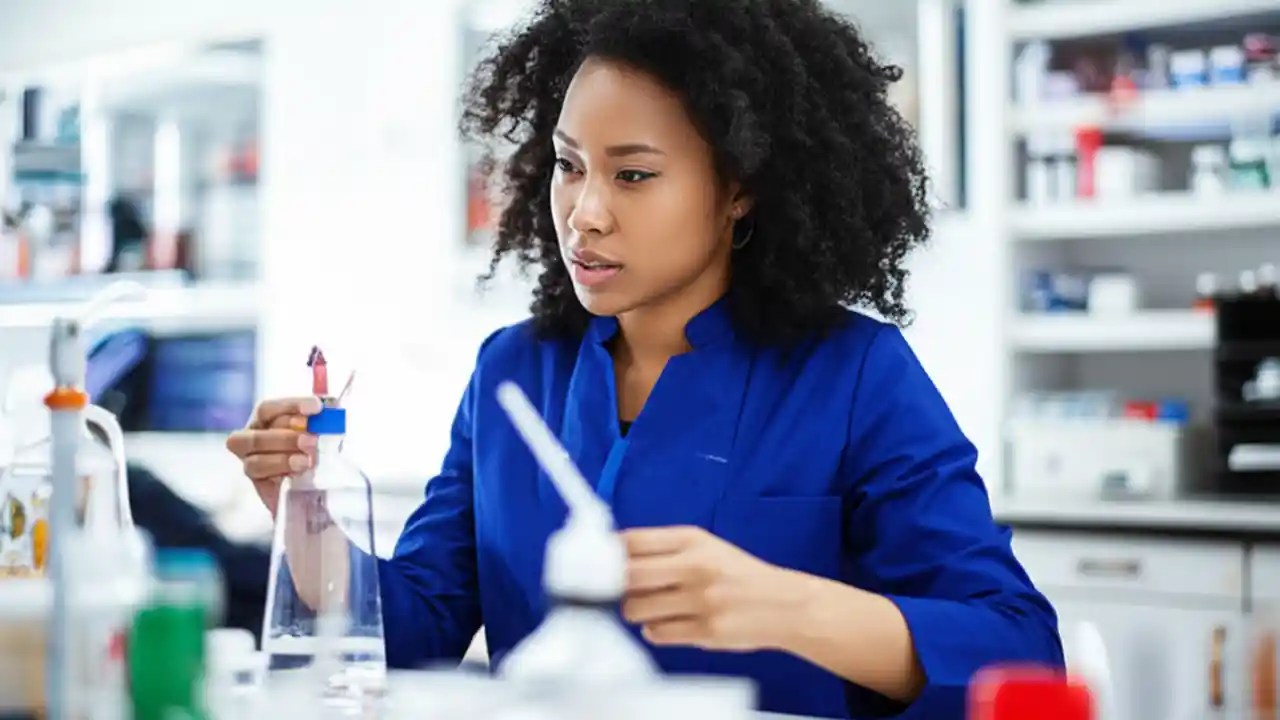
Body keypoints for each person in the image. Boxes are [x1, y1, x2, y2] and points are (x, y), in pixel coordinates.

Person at [226, 0, 1064, 716]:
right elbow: (415, 630)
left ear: (739, 187)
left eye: (632, 176)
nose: (582, 214)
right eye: (567, 166)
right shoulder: (513, 373)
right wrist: (305, 513)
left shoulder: (853, 375)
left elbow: (1018, 651)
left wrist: (787, 606)